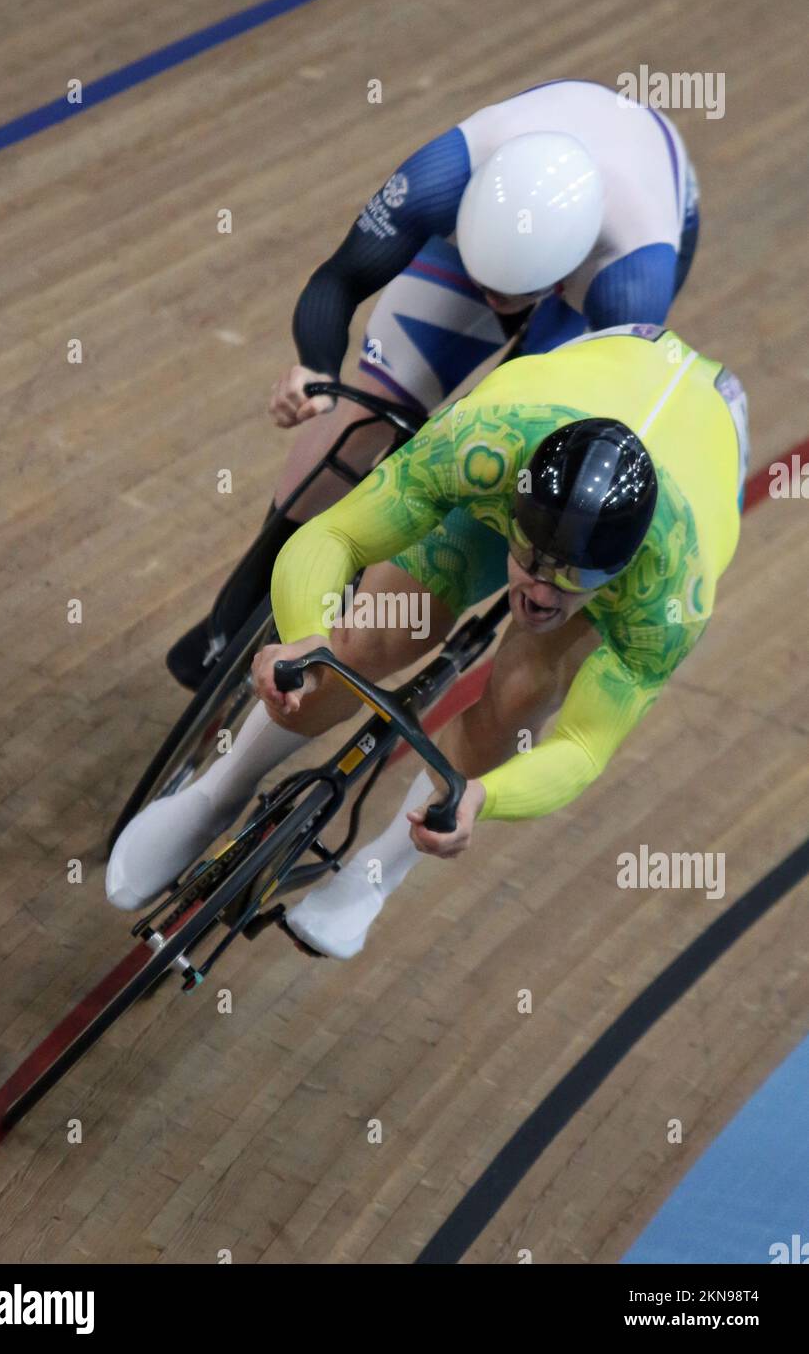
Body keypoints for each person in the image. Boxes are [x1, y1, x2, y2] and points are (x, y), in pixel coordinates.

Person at [108, 323, 749, 960]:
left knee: (522, 695)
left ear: (621, 568)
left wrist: (482, 797)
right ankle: (220, 789)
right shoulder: (483, 445)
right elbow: (338, 537)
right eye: (528, 558)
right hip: (564, 401)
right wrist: (306, 636)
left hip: (700, 449)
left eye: (574, 579)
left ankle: (380, 870)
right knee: (367, 637)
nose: (543, 591)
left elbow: (583, 746)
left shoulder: (670, 592)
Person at [167, 79, 700, 689]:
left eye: (511, 293)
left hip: (614, 264)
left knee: (511, 441)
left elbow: (604, 433)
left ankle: (386, 587)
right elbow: (339, 279)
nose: (496, 301)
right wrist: (316, 369)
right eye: (486, 280)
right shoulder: (446, 174)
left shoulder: (631, 280)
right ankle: (247, 601)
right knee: (370, 408)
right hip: (518, 219)